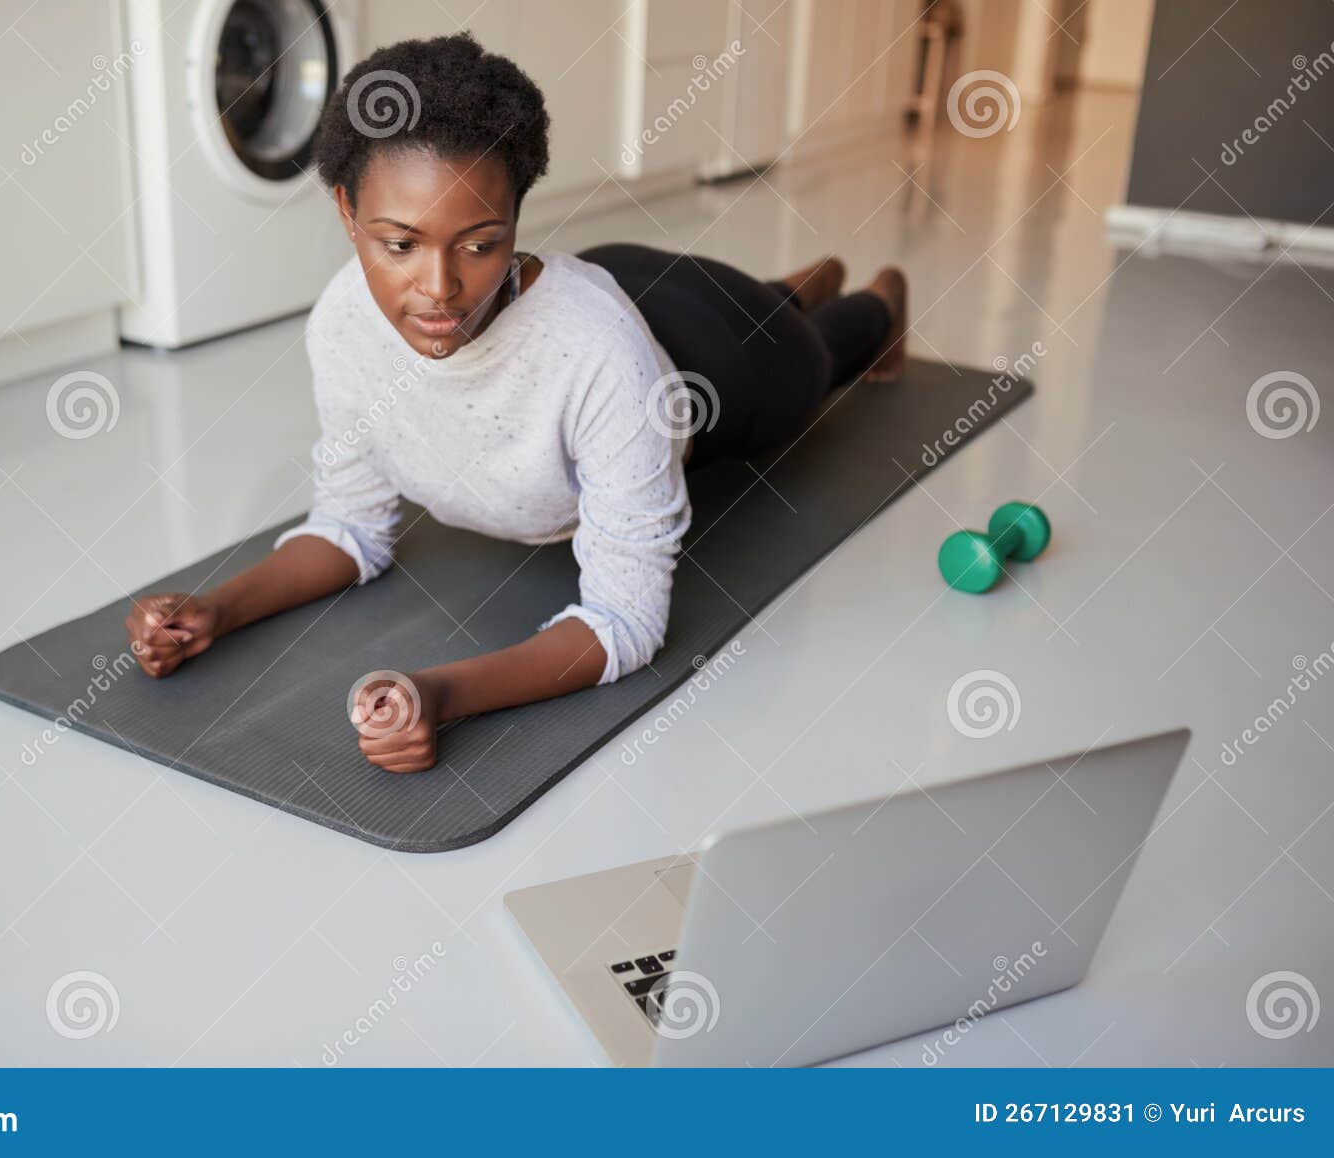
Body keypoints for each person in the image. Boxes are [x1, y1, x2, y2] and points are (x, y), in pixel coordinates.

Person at [123, 32, 907, 774]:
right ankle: (802, 281)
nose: (438, 289)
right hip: (630, 297)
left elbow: (626, 618)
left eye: (479, 242)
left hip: (714, 366)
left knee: (820, 356)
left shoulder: (602, 350)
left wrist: (447, 694)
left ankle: (872, 298)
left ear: (518, 222)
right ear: (345, 214)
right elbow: (352, 524)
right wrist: (215, 611)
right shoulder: (341, 321)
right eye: (400, 245)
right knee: (760, 301)